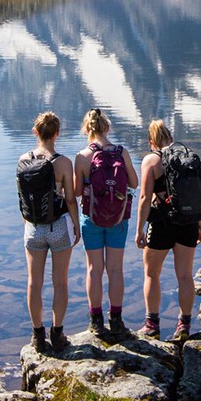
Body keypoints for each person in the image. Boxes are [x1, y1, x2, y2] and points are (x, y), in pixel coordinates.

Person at [135, 119, 201, 341]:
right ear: (170, 137)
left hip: (162, 222)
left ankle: (151, 324)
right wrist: (199, 223)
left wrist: (139, 230)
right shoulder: (189, 156)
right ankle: (184, 325)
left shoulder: (152, 160)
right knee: (184, 275)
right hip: (189, 222)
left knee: (151, 274)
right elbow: (198, 193)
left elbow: (145, 197)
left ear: (151, 141)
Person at [73, 107, 138, 339]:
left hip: (91, 219)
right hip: (118, 219)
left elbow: (77, 192)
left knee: (94, 269)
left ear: (87, 129)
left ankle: (96, 321)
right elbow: (134, 183)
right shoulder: (122, 153)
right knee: (116, 269)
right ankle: (117, 321)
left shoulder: (82, 157)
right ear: (107, 127)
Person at [18, 111, 79, 354]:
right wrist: (76, 227)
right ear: (57, 133)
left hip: (32, 229)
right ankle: (58, 333)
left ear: (36, 132)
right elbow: (71, 199)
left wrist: (27, 224)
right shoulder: (63, 163)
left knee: (34, 283)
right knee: (60, 283)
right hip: (58, 228)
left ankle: (37, 336)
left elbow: (22, 198)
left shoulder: (23, 159)